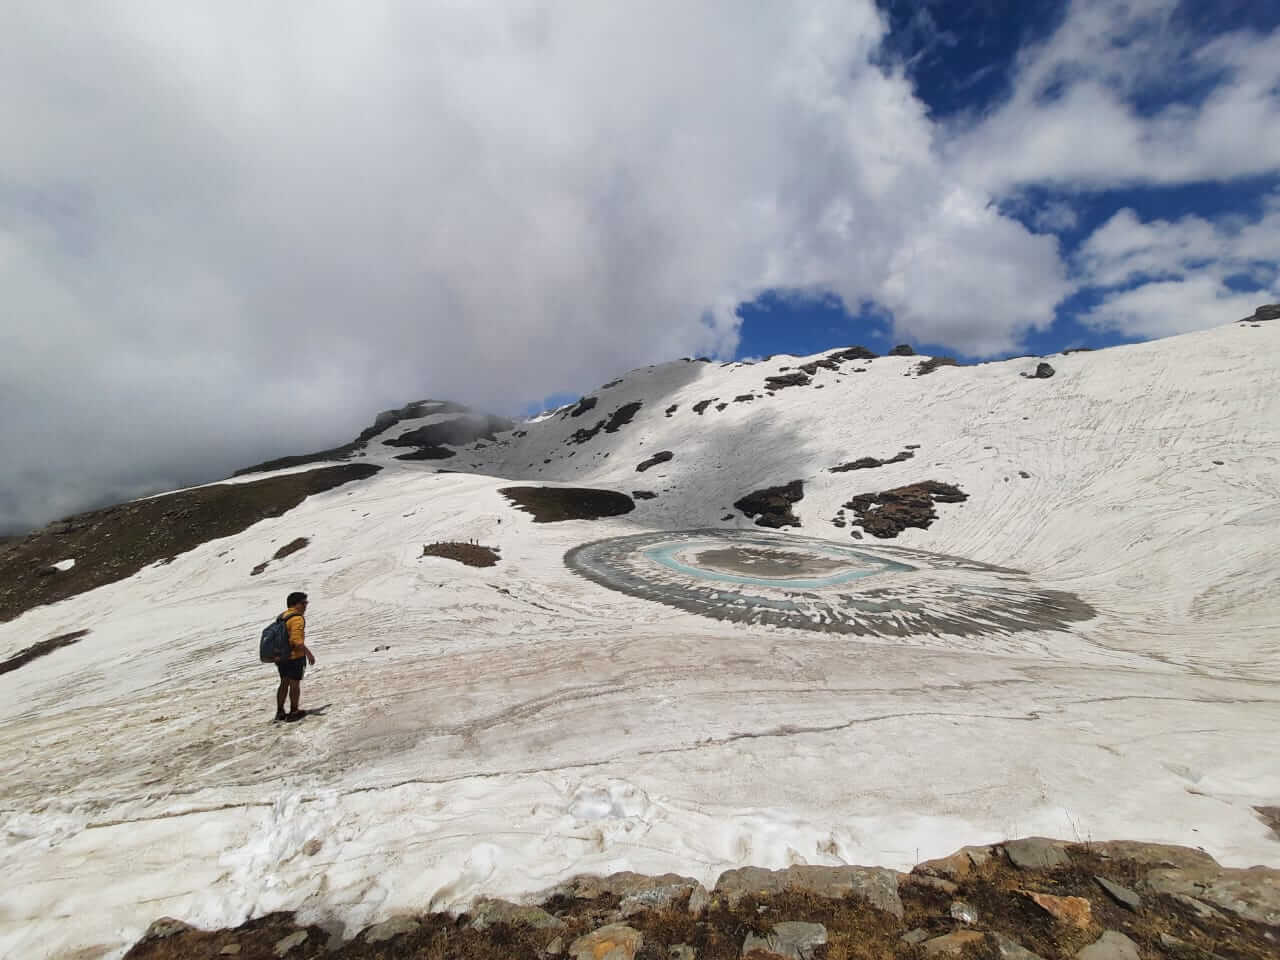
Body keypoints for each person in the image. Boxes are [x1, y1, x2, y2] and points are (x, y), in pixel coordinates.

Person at [275, 591, 316, 722]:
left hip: (281, 657)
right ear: (296, 604)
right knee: (294, 684)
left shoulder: (282, 616)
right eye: (304, 603)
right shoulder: (297, 618)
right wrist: (308, 653)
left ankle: (280, 711)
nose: (305, 606)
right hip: (294, 656)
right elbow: (296, 641)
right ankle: (294, 711)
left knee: (284, 683)